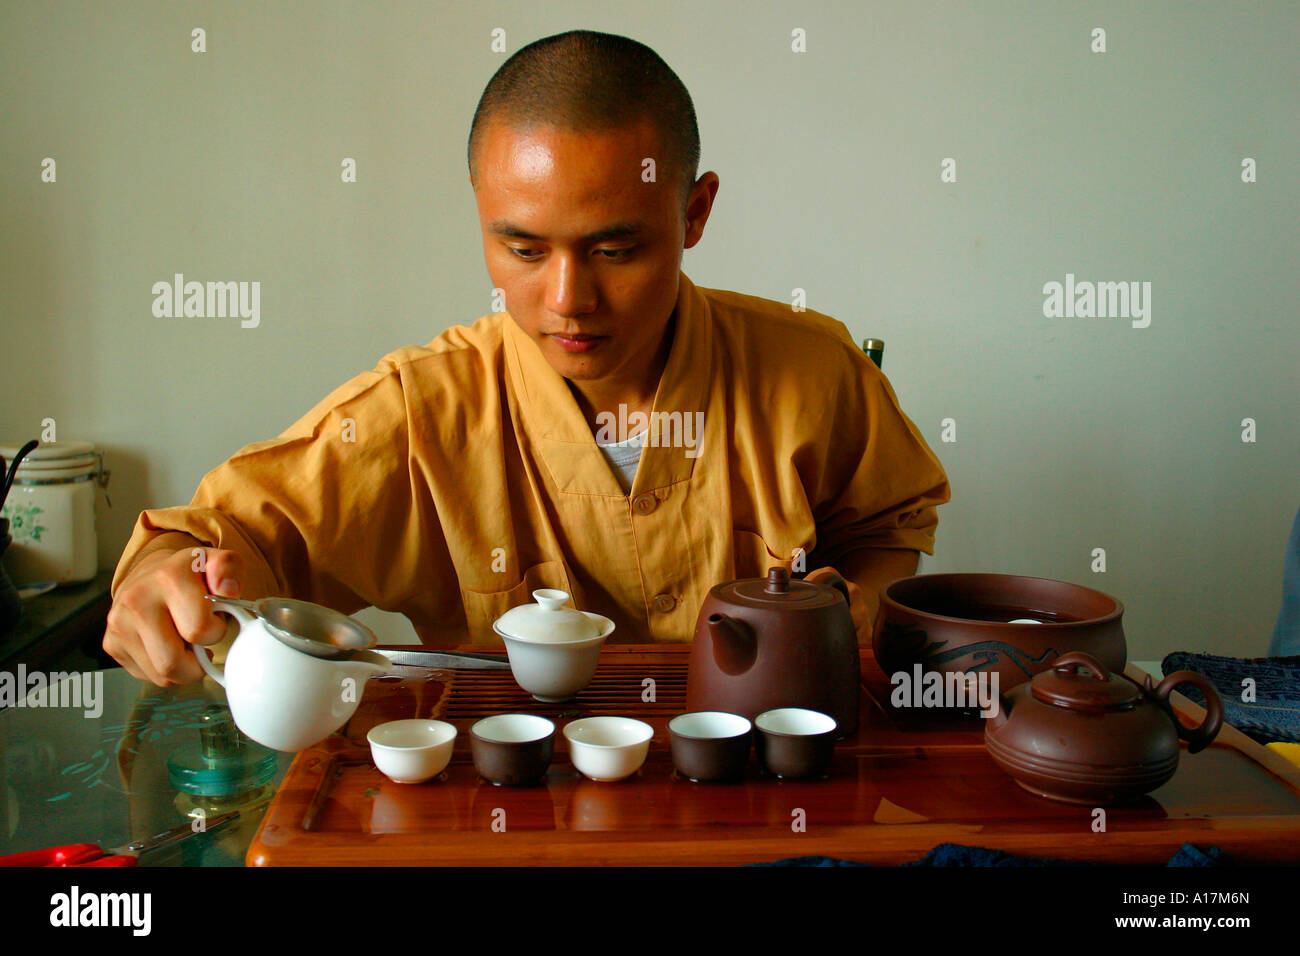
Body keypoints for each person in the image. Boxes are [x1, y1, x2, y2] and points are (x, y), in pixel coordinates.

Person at [104, 30, 951, 687]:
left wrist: (843, 613)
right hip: (509, 810)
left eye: (616, 250)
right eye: (523, 249)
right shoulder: (423, 413)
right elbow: (227, 533)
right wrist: (170, 576)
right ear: (482, 217)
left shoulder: (810, 369)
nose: (568, 299)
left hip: (765, 797)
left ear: (694, 214)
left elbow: (888, 526)